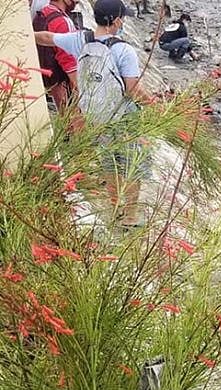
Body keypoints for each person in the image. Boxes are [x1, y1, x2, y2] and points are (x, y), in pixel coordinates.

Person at [34, 0, 152, 226]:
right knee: (132, 163)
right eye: (122, 18)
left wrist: (27, 35)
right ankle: (129, 215)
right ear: (116, 21)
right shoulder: (123, 50)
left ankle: (115, 206)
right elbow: (133, 89)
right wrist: (156, 105)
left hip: (96, 115)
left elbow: (48, 38)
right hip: (124, 117)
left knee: (109, 162)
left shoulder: (80, 39)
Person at [32, 0, 80, 111]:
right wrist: (80, 97)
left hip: (50, 85)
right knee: (74, 126)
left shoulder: (43, 13)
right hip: (63, 89)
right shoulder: (62, 22)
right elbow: (71, 68)